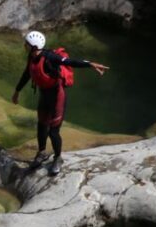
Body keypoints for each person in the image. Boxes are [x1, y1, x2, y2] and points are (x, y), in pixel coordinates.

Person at [11, 30, 109, 175]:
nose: (24, 46)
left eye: (27, 44)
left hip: (57, 96)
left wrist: (90, 64)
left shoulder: (50, 57)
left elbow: (70, 62)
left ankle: (58, 158)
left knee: (53, 131)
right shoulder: (31, 57)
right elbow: (27, 74)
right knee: (41, 125)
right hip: (44, 96)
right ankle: (42, 152)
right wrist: (17, 91)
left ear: (34, 47)